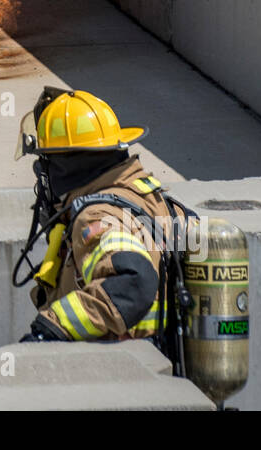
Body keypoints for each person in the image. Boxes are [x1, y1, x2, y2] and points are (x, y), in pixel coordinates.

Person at [13, 87, 174, 344]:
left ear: (63, 166)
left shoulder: (95, 218)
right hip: (156, 363)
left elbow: (135, 280)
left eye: (45, 162)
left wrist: (50, 330)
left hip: (118, 370)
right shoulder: (143, 194)